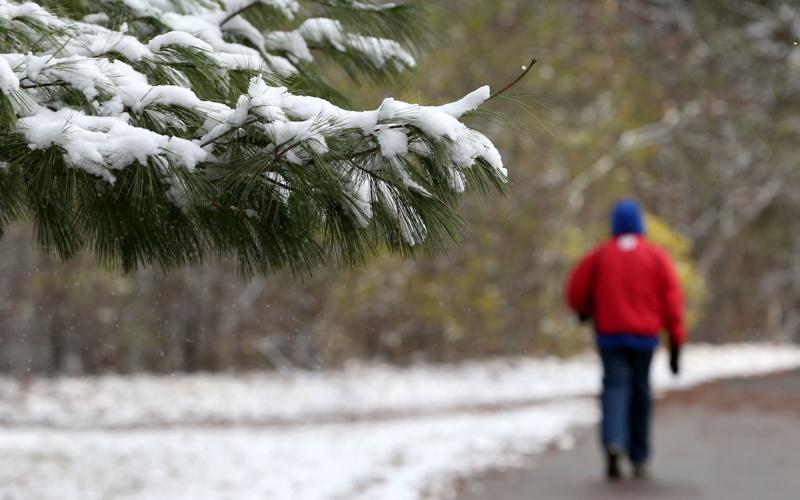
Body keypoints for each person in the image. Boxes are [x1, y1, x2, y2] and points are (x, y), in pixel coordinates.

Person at [565, 199, 686, 480]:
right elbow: (672, 302)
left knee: (615, 387)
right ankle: (639, 455)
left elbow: (576, 288)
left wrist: (583, 311)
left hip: (610, 337)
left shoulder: (600, 255)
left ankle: (613, 442)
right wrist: (676, 343)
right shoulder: (656, 256)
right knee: (641, 391)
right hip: (644, 339)